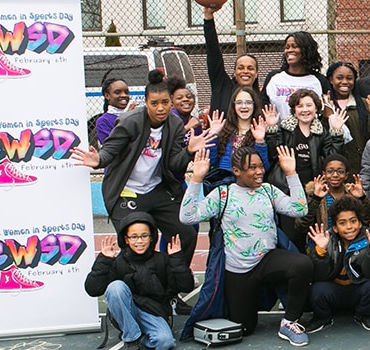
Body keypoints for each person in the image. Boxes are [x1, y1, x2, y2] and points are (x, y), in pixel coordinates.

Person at [180, 145, 315, 345]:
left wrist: (291, 173)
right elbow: (187, 216)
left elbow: (299, 209)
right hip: (237, 269)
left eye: (261, 166)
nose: (259, 171)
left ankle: (289, 322)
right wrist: (197, 179)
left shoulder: (268, 191)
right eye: (252, 167)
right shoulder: (222, 195)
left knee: (302, 264)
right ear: (237, 171)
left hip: (267, 260)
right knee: (245, 327)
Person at [72, 69, 201, 269]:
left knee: (186, 234)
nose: (160, 108)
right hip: (127, 192)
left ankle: (171, 288)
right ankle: (137, 288)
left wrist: (189, 151)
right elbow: (109, 152)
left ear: (170, 102)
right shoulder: (130, 121)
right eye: (154, 103)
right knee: (139, 242)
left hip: (156, 189)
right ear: (146, 102)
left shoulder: (174, 124)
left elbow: (175, 163)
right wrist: (97, 159)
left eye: (165, 103)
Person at [85, 212, 193, 350]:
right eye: (134, 237)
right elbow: (93, 289)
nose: (140, 241)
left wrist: (176, 259)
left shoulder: (162, 260)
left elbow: (186, 286)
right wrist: (104, 261)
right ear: (126, 239)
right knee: (115, 287)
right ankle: (131, 338)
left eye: (144, 236)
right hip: (127, 310)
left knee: (165, 342)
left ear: (151, 237)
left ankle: (137, 333)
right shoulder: (118, 262)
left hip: (153, 311)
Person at [304, 198, 370, 333]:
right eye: (342, 223)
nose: (349, 227)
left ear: (360, 223)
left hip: (358, 289)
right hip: (335, 291)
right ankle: (323, 317)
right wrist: (320, 252)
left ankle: (364, 315)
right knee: (317, 289)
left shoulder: (369, 238)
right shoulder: (326, 239)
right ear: (335, 228)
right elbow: (320, 276)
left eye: (353, 221)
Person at [204, 87, 276, 184]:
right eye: (239, 102)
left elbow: (265, 168)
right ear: (233, 106)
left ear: (254, 105)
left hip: (250, 184)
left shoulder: (261, 130)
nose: (244, 106)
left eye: (248, 102)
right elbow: (210, 162)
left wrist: (259, 141)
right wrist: (213, 134)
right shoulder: (225, 131)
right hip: (225, 183)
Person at [203, 4, 266, 114]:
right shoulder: (222, 87)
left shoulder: (261, 99)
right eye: (240, 68)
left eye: (250, 68)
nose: (245, 71)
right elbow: (213, 54)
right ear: (234, 73)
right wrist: (208, 18)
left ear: (256, 74)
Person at [301, 154, 370, 248]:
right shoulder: (316, 194)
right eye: (330, 171)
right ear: (324, 174)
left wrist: (362, 198)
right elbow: (302, 225)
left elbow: (366, 219)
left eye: (340, 171)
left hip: (351, 243)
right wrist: (316, 199)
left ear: (346, 175)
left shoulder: (352, 193)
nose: (335, 175)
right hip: (323, 244)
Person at [262, 31, 329, 120]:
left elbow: (326, 112)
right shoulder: (274, 78)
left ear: (306, 50)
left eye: (295, 46)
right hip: (278, 132)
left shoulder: (320, 80)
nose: (289, 50)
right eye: (287, 47)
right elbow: (263, 107)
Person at [324, 61, 370, 175]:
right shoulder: (324, 105)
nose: (345, 82)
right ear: (331, 80)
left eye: (349, 78)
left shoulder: (365, 103)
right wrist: (327, 117)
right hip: (336, 169)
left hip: (360, 165)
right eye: (339, 78)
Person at [94, 77, 133, 146]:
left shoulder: (134, 116)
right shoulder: (103, 121)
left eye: (126, 92)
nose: (124, 95)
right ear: (107, 96)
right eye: (117, 92)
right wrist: (127, 119)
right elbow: (112, 147)